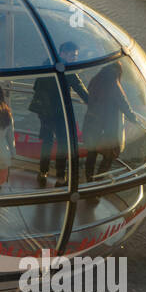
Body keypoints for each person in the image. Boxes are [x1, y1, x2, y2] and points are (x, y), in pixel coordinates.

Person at [29, 42, 89, 187]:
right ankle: (60, 177)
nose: (74, 59)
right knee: (63, 143)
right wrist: (93, 102)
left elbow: (36, 86)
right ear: (63, 54)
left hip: (44, 112)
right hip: (59, 112)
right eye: (72, 56)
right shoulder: (68, 71)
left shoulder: (46, 64)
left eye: (75, 56)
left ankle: (43, 172)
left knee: (47, 142)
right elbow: (81, 91)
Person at [81, 61, 138, 182]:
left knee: (91, 154)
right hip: (106, 128)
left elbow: (89, 98)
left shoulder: (95, 80)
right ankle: (99, 181)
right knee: (109, 155)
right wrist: (133, 118)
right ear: (118, 71)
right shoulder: (113, 84)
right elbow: (123, 104)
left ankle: (89, 181)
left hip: (91, 124)